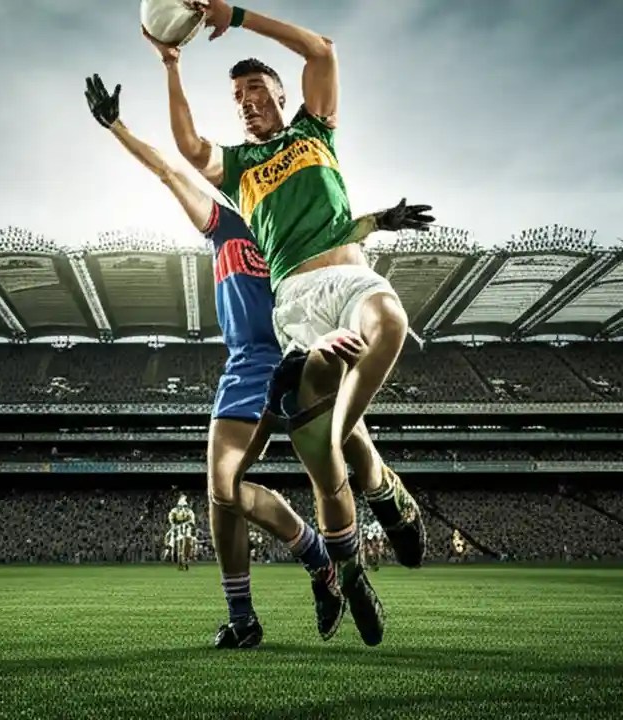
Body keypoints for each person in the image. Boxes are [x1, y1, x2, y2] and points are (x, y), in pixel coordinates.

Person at [84, 75, 427, 648]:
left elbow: (342, 247)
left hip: (308, 349)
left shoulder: (302, 234)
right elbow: (170, 169)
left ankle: (376, 513)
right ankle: (272, 595)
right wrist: (117, 126)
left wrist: (376, 223)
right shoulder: (224, 222)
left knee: (347, 457)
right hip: (249, 365)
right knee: (222, 489)